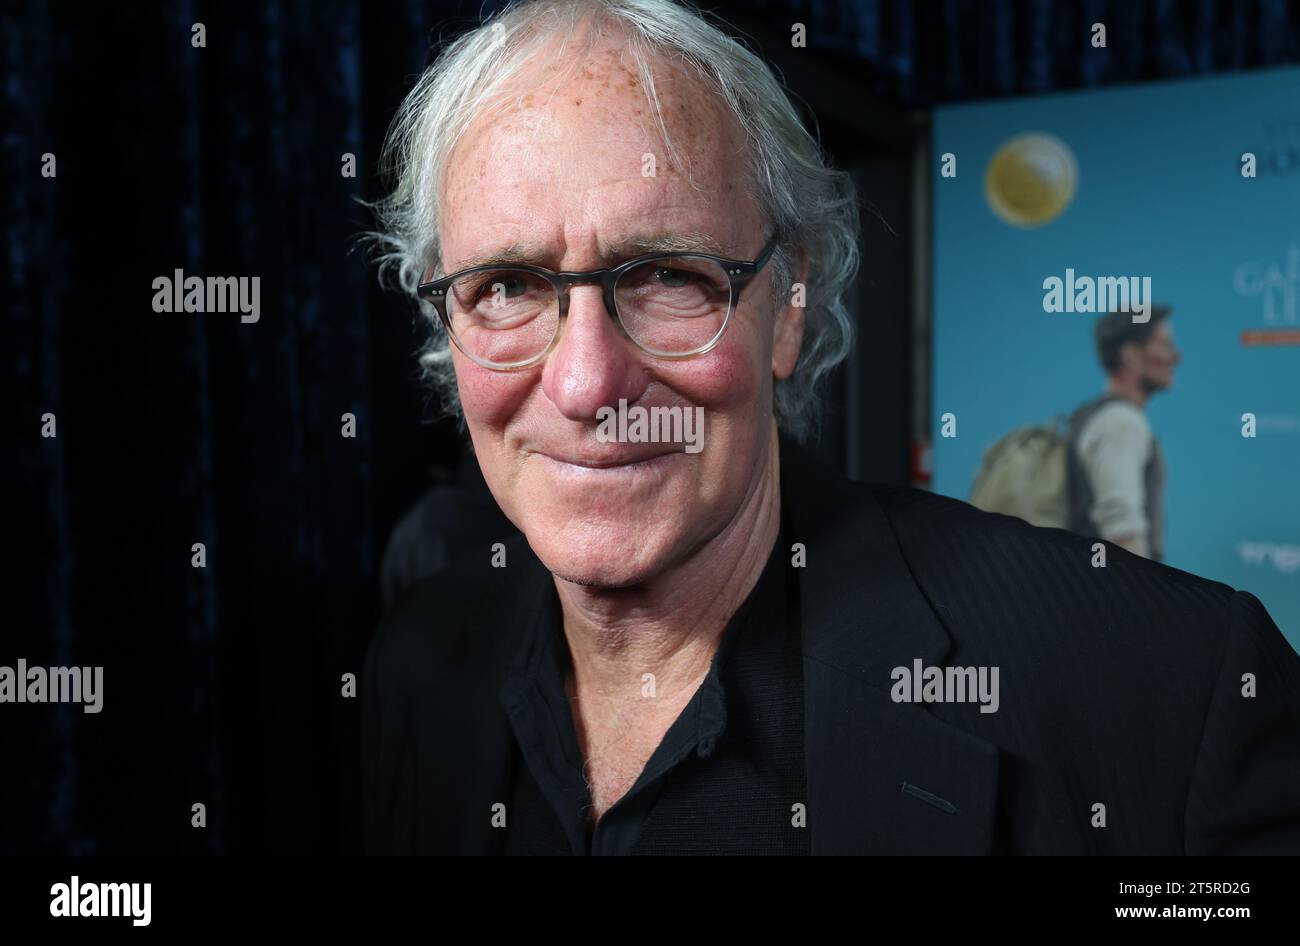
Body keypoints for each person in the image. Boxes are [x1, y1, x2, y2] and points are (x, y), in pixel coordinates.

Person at [361, 0, 1300, 855]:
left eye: (666, 276)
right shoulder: (419, 660)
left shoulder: (1167, 691)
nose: (583, 382)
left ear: (791, 303)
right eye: (508, 288)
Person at [1067, 306, 1180, 561]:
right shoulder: (1121, 424)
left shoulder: (1093, 414)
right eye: (1164, 345)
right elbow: (1123, 531)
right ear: (1130, 356)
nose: (1175, 356)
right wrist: (1144, 597)